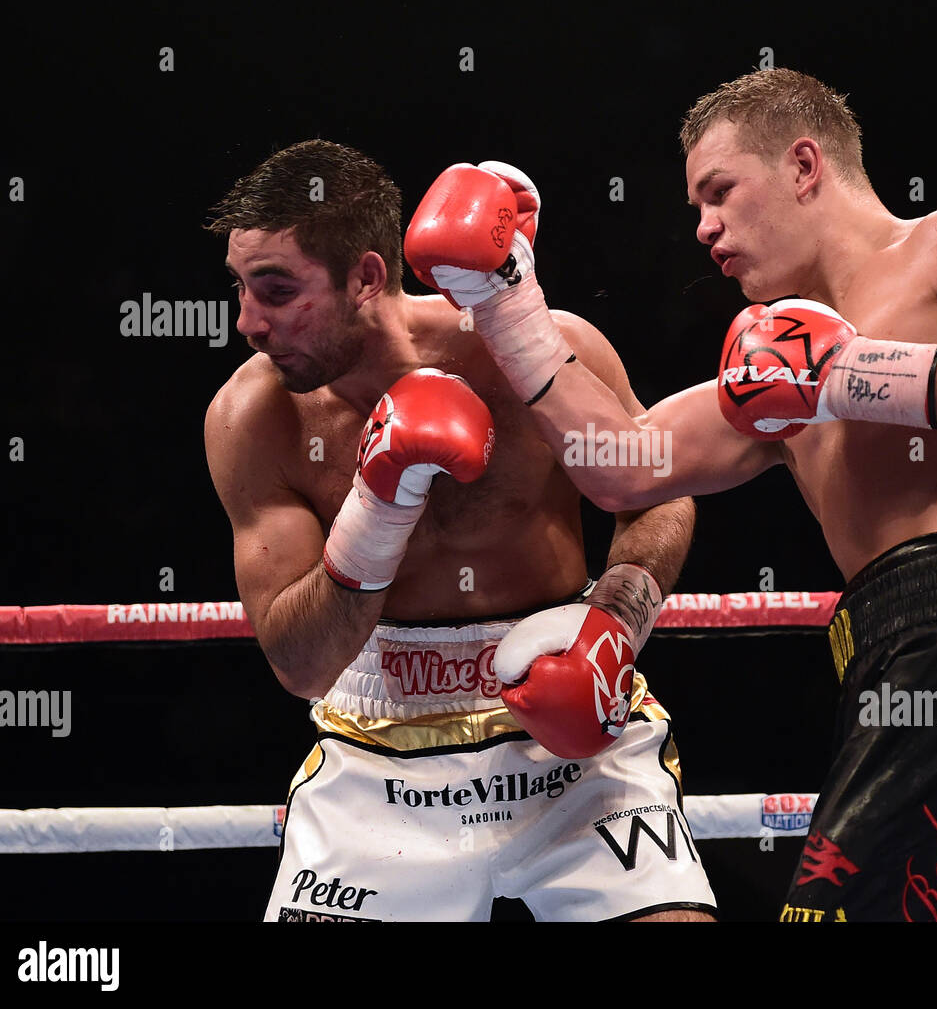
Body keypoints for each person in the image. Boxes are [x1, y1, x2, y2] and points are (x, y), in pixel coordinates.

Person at [413, 68, 937, 922]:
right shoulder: (772, 367)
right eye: (695, 209)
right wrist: (507, 303)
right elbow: (623, 466)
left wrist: (847, 373)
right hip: (888, 662)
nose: (705, 229)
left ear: (803, 165)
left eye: (720, 193)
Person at [202, 140, 716, 922]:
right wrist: (381, 500)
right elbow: (300, 664)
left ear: (367, 277)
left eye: (276, 291)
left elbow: (657, 496)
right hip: (378, 749)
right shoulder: (253, 420)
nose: (249, 323)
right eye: (239, 290)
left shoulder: (532, 353)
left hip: (570, 742)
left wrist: (615, 623)